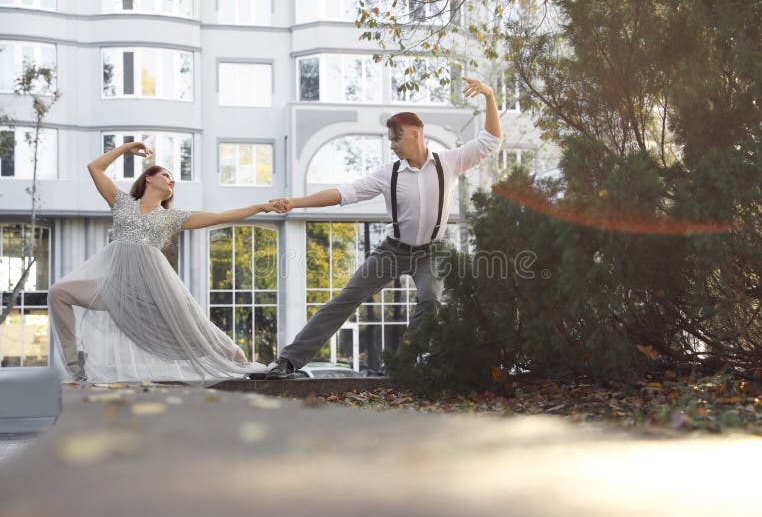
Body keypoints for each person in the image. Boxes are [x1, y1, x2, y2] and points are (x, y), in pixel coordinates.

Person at [255, 76, 502, 379]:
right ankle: (288, 361)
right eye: (390, 141)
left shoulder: (448, 162)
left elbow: (490, 141)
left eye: (396, 139)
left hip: (432, 252)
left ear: (415, 133)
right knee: (346, 299)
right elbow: (343, 193)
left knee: (431, 299)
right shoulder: (388, 174)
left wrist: (489, 96)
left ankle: (404, 366)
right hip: (392, 251)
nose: (393, 146)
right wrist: (296, 201)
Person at [49, 141, 276, 383]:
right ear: (148, 178)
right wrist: (126, 148)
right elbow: (94, 167)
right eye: (166, 175)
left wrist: (261, 207)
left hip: (156, 292)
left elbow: (220, 216)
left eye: (172, 179)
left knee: (202, 334)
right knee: (58, 292)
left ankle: (243, 363)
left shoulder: (172, 217)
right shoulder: (121, 203)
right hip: (117, 290)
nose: (172, 180)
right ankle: (75, 365)